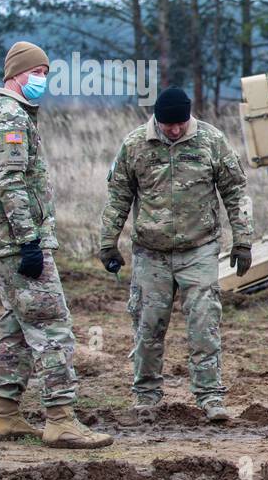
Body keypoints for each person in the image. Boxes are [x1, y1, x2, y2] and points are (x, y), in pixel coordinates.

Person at [0, 41, 113, 448]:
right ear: (16, 74)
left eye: (46, 73)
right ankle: (61, 419)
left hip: (10, 242)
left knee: (16, 327)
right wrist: (29, 241)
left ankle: (5, 414)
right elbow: (10, 182)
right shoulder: (10, 119)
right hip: (20, 243)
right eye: (38, 73)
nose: (43, 80)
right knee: (52, 326)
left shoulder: (7, 115)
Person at [98, 87, 253, 424]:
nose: (174, 131)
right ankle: (146, 398)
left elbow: (236, 191)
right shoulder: (136, 144)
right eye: (168, 125)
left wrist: (243, 241)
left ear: (188, 118)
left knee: (203, 323)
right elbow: (118, 196)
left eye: (180, 124)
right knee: (148, 326)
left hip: (199, 249)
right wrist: (108, 243)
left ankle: (210, 397)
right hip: (151, 253)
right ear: (157, 120)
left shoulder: (211, 141)